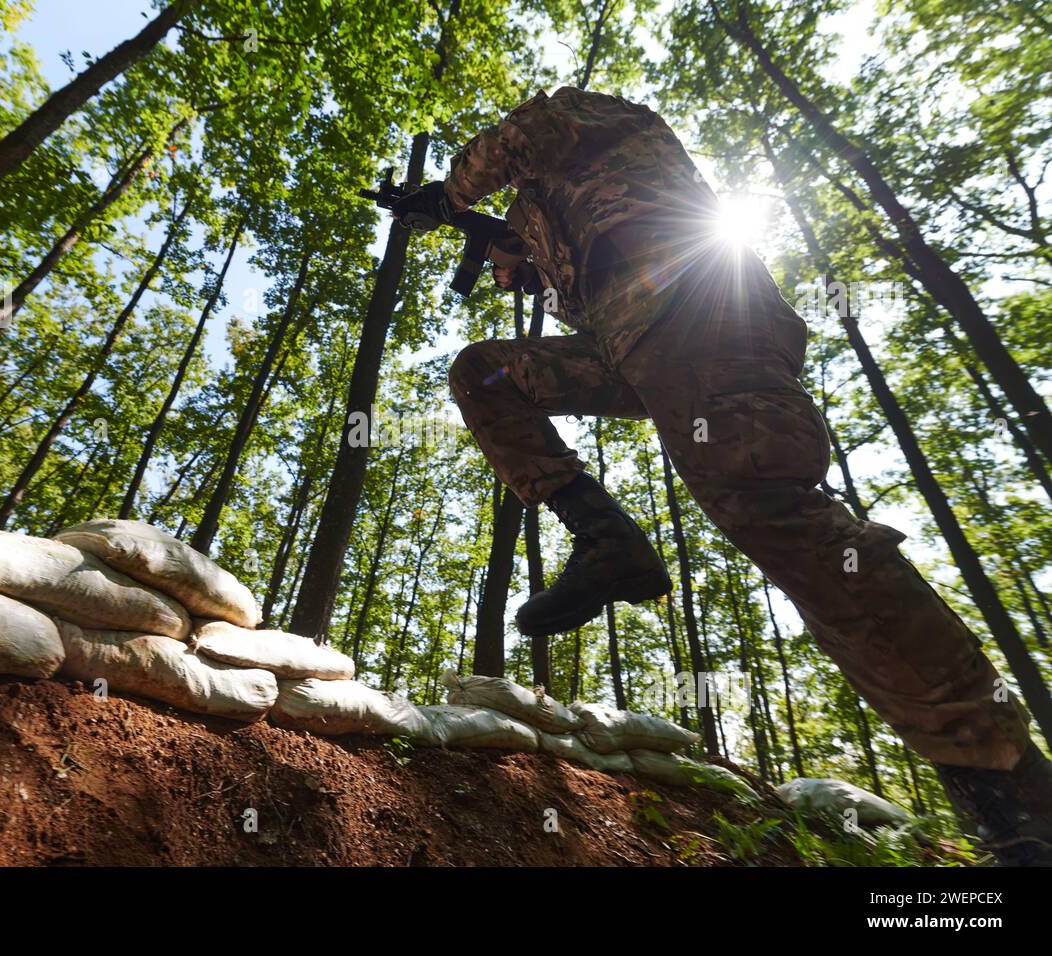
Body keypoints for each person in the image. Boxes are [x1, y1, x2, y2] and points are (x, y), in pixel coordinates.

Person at [390, 86, 1051, 865]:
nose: (511, 281)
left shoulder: (573, 124)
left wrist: (445, 196)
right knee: (486, 374)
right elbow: (543, 241)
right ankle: (607, 540)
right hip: (630, 342)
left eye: (507, 270)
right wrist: (508, 245)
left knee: (769, 507)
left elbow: (528, 136)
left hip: (699, 305)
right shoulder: (543, 221)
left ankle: (1009, 789)